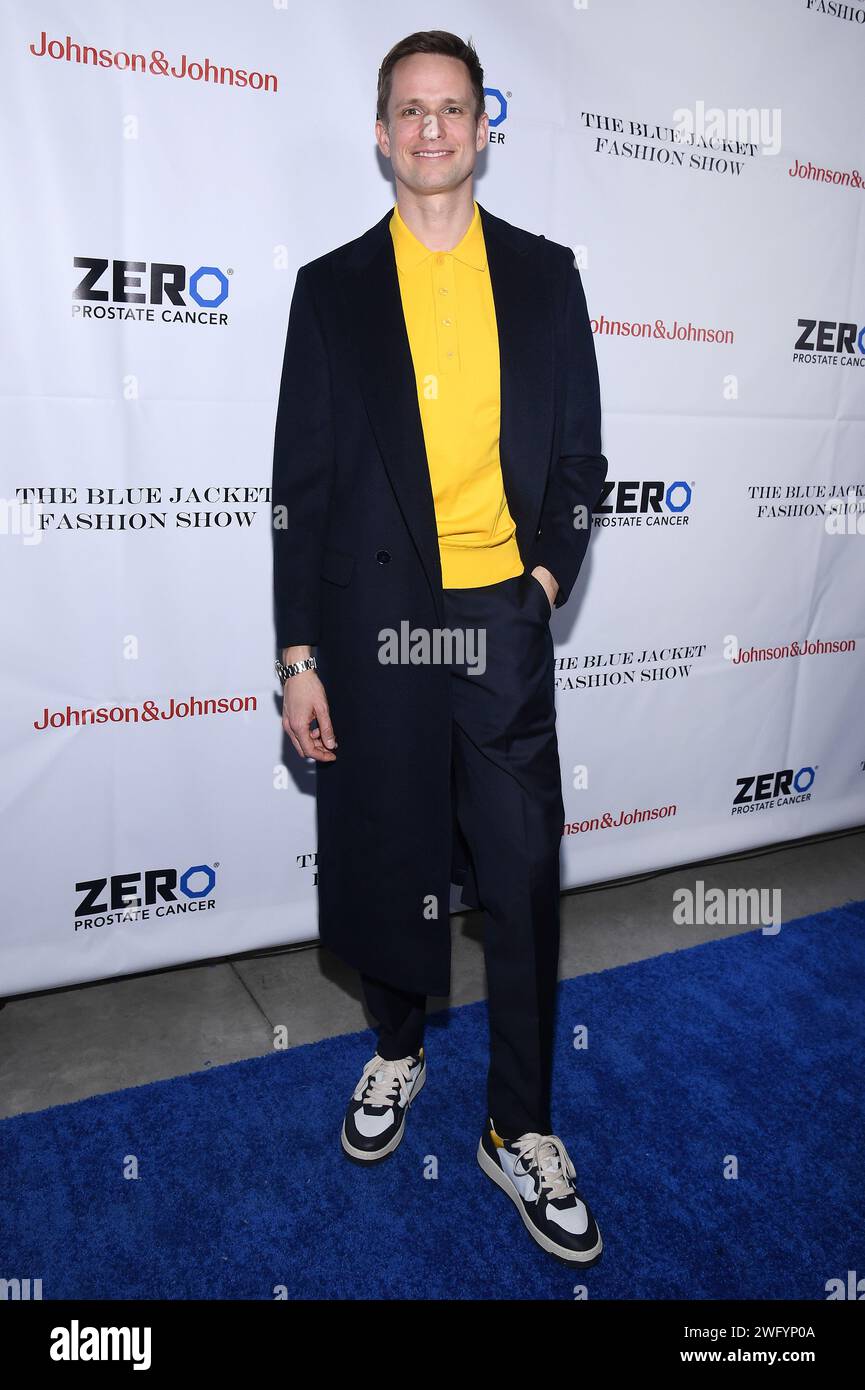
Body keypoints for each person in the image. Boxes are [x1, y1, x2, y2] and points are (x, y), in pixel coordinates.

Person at [271, 29, 607, 1265]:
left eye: (451, 108)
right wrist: (296, 652)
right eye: (407, 110)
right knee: (385, 852)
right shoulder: (330, 288)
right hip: (367, 632)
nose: (430, 129)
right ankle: (397, 1053)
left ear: (482, 127)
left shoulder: (546, 273)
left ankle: (518, 1126)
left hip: (499, 622)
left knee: (519, 875)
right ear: (379, 132)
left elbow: (580, 463)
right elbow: (298, 486)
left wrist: (540, 579)